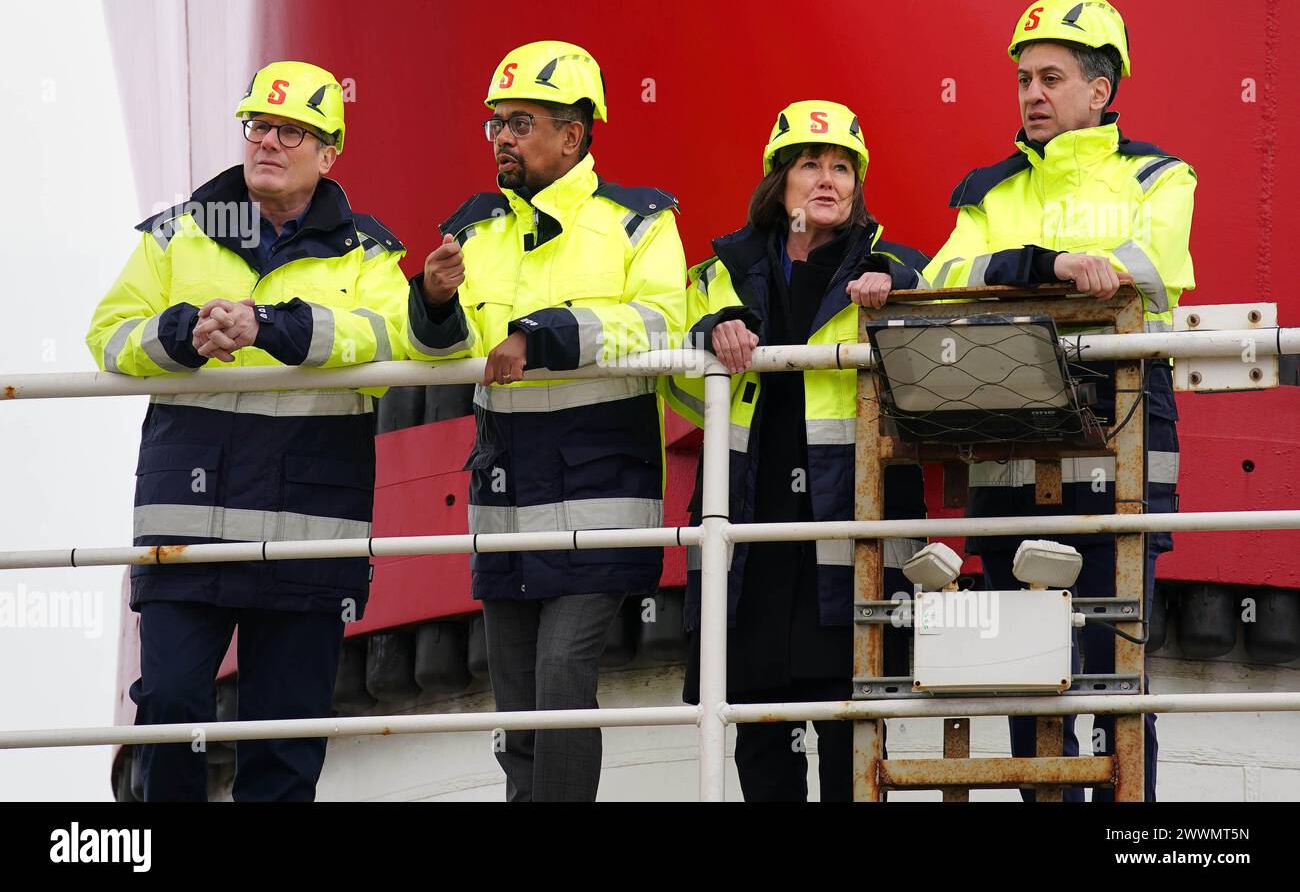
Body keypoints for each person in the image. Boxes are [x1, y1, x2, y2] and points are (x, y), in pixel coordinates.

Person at [86, 60, 414, 801]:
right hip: (184, 529)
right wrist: (181, 333)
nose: (267, 141)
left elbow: (391, 340)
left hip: (306, 533)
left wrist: (273, 326)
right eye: (258, 126)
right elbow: (107, 335)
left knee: (286, 743)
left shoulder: (371, 252)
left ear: (328, 153)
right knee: (169, 709)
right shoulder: (175, 234)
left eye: (290, 130)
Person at [924, 0, 1196, 801]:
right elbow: (943, 279)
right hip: (1010, 468)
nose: (1031, 94)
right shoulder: (987, 189)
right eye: (1022, 80)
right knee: (1023, 686)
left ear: (1100, 91)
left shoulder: (1160, 174)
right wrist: (1048, 264)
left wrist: (1037, 271)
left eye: (1050, 77)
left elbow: (1155, 268)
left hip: (1122, 464)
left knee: (1119, 682)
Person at [404, 40, 687, 801]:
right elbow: (446, 351)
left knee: (562, 682)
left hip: (601, 499)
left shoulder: (641, 224)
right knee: (519, 704)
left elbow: (660, 323)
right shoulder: (471, 231)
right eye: (494, 123)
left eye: (520, 122)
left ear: (574, 133)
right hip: (505, 505)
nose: (501, 136)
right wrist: (430, 303)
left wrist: (542, 336)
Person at [665, 100, 930, 801]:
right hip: (751, 545)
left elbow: (941, 333)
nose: (827, 178)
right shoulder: (721, 272)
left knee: (852, 743)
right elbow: (672, 371)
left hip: (845, 544)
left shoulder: (893, 267)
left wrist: (896, 294)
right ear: (778, 180)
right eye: (810, 162)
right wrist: (709, 334)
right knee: (761, 742)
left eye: (843, 166)